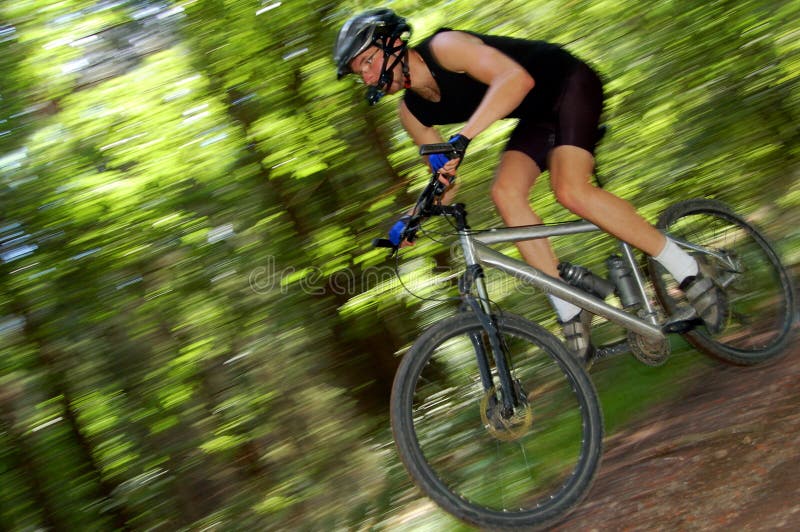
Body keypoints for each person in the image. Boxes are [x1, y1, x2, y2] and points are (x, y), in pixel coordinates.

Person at [333, 8, 727, 363]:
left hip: (569, 84)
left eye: (368, 61)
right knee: (504, 193)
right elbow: (444, 179)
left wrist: (465, 136)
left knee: (569, 189)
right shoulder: (412, 114)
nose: (366, 76)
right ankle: (571, 311)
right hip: (538, 118)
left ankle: (690, 270)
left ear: (396, 44)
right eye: (359, 71)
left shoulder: (445, 47)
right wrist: (414, 216)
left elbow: (515, 79)